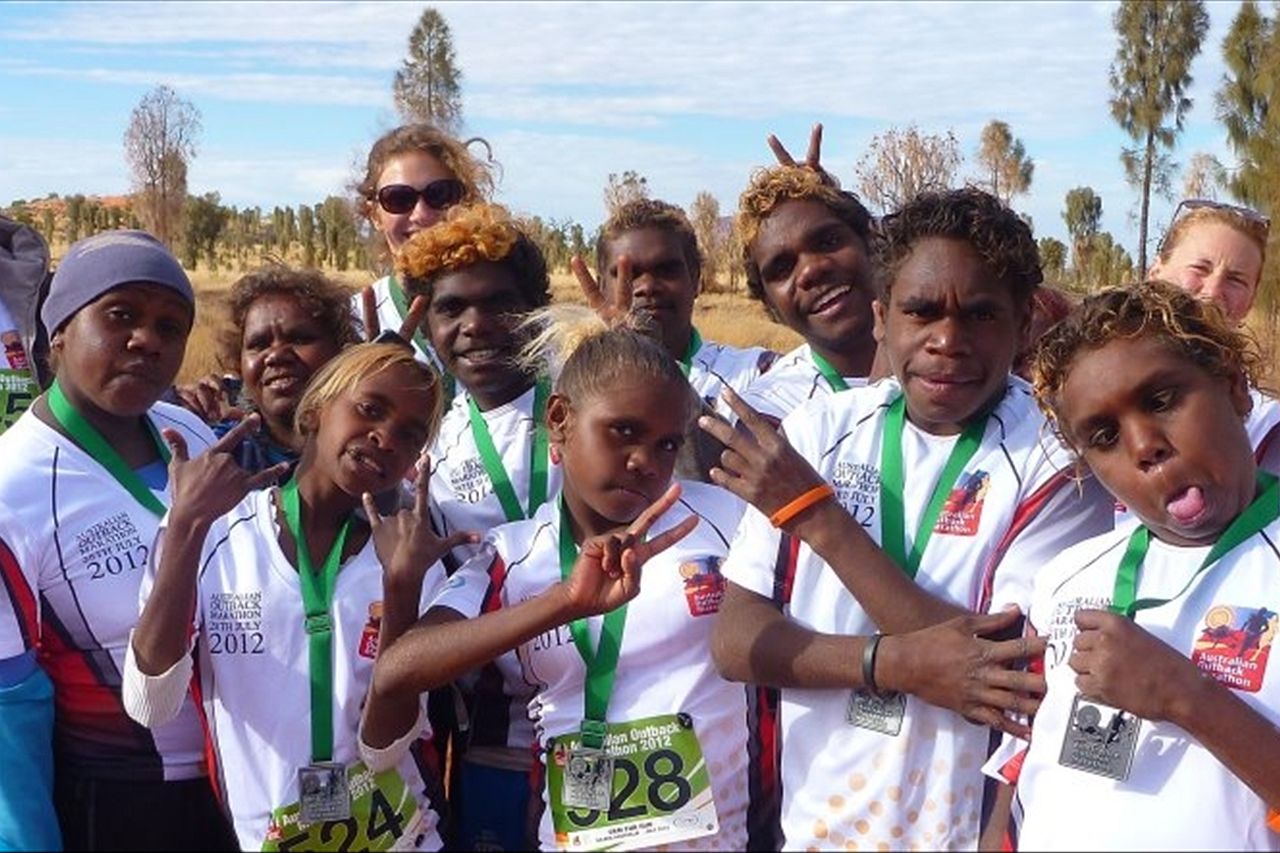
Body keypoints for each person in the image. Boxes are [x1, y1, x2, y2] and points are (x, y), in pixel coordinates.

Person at [698, 188, 1115, 851]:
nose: (948, 341)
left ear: (1023, 323)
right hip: (814, 829)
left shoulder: (1055, 458)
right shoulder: (818, 432)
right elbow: (736, 640)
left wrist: (818, 517)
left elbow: (996, 674)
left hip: (960, 831)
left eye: (980, 314)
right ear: (880, 316)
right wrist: (885, 662)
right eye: (921, 311)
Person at [368, 307, 753, 851]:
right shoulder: (514, 552)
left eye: (668, 444)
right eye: (623, 432)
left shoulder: (725, 521)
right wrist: (564, 602)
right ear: (559, 419)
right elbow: (398, 669)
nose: (645, 460)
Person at [124, 342, 472, 850]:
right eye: (370, 409)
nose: (385, 437)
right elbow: (150, 704)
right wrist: (184, 526)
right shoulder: (218, 534)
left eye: (410, 435)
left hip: (400, 838)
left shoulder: (410, 563)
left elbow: (384, 749)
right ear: (316, 410)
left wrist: (401, 593)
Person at [982, 280, 1280, 850]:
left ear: (1236, 389)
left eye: (1162, 400)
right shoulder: (1068, 577)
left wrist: (1186, 697)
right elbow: (1024, 770)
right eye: (1103, 435)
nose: (1144, 445)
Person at [0, 230, 236, 850]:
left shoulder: (184, 428)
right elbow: (6, 711)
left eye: (170, 326)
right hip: (119, 800)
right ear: (57, 332)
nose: (147, 340)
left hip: (239, 774)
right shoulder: (12, 488)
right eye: (120, 315)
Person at [395, 202, 555, 850]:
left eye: (500, 303)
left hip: (614, 712)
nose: (477, 325)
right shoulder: (423, 442)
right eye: (451, 307)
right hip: (493, 741)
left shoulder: (593, 399)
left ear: (537, 305)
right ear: (424, 321)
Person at [735, 124, 882, 424]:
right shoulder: (769, 415)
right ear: (769, 306)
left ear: (870, 243)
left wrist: (829, 197)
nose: (812, 270)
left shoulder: (955, 361)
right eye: (782, 268)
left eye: (828, 242)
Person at [576, 197, 778, 413]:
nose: (647, 287)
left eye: (666, 270)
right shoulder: (574, 385)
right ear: (601, 287)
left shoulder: (757, 373)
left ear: (696, 279)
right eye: (629, 275)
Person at [354, 122, 496, 384]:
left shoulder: (507, 310)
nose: (421, 215)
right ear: (374, 214)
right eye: (398, 198)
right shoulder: (353, 323)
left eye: (439, 194)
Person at [1147, 198, 1280, 474]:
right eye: (1200, 269)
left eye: (1235, 280)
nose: (1213, 291)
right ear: (1155, 274)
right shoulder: (1087, 395)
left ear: (1250, 301)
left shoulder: (1265, 427)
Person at [210, 265, 361, 473]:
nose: (276, 355)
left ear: (341, 351)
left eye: (299, 339)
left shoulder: (369, 453)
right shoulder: (216, 453)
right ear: (239, 365)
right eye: (259, 344)